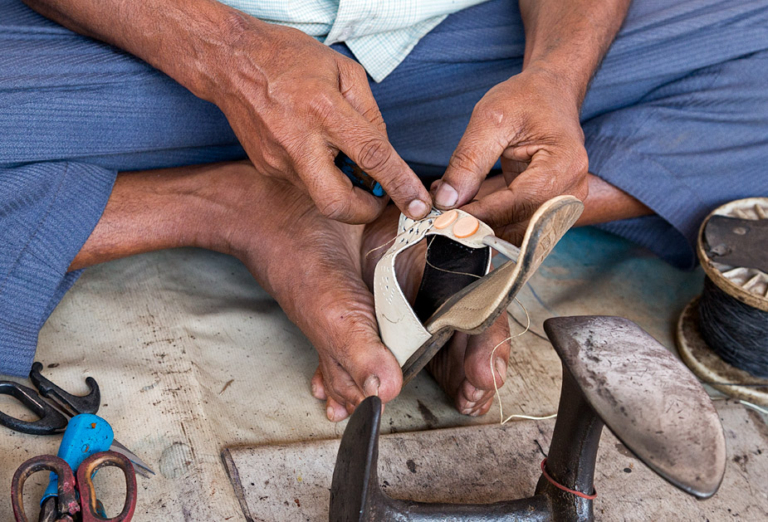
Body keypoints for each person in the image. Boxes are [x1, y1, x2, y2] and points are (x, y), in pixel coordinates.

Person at [1, 0, 766, 421]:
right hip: (143, 42)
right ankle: (233, 203)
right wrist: (230, 52)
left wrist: (557, 73)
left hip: (457, 46)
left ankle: (454, 227)